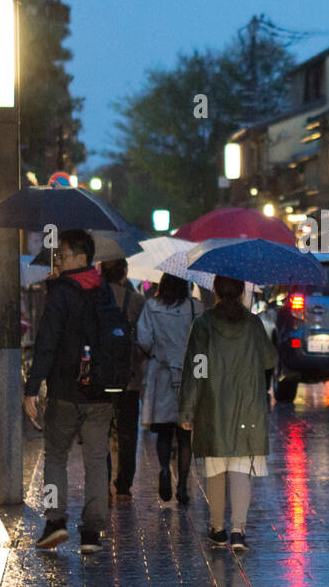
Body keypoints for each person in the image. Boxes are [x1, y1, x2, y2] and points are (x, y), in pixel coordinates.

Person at [25, 229, 112, 554]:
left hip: (65, 390)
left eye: (62, 255)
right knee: (95, 460)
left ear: (79, 257)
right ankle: (92, 533)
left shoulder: (61, 293)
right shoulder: (104, 290)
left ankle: (55, 522)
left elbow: (47, 343)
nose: (58, 260)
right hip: (101, 392)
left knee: (56, 457)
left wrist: (33, 387)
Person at [179, 275, 277, 551]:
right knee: (240, 468)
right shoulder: (253, 323)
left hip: (212, 405)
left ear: (215, 291)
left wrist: (187, 408)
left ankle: (217, 528)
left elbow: (196, 369)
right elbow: (270, 359)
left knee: (216, 469)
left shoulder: (204, 324)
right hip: (247, 406)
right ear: (243, 291)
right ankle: (238, 531)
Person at [137, 274, 201, 504]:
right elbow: (202, 341)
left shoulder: (151, 306)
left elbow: (143, 339)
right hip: (188, 375)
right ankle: (183, 485)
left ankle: (165, 469)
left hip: (161, 374)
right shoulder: (195, 307)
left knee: (164, 431)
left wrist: (156, 352)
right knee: (185, 435)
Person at [101, 259, 145, 499]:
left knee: (102, 432)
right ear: (124, 273)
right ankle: (124, 485)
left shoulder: (94, 298)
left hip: (103, 378)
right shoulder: (137, 301)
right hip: (130, 377)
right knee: (128, 433)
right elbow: (146, 338)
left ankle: (104, 481)